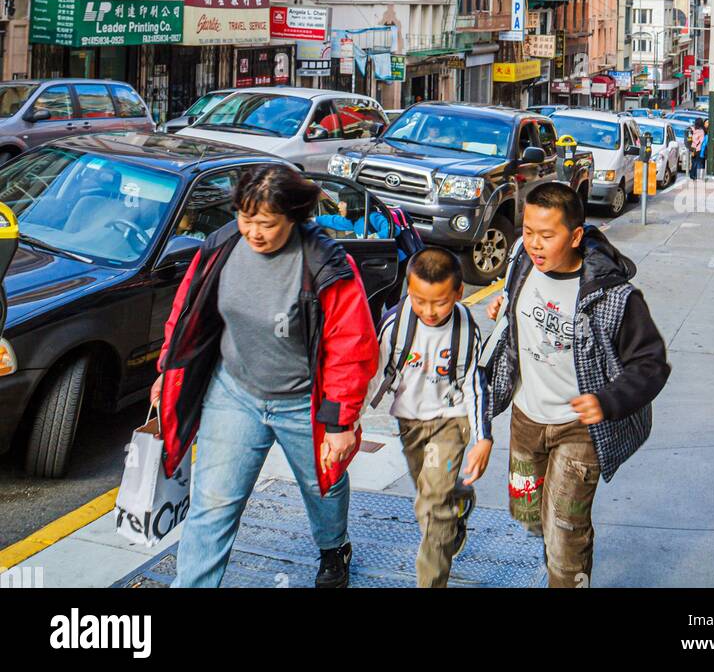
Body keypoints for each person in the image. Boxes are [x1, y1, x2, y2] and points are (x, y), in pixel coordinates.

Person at [152, 165, 380, 590]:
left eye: (266, 223)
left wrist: (340, 422)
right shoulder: (221, 246)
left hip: (302, 402)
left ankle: (334, 548)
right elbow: (187, 312)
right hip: (234, 392)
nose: (253, 232)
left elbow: (352, 347)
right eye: (245, 218)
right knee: (212, 507)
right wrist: (169, 367)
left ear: (293, 218)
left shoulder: (323, 263)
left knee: (323, 488)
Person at [483, 182, 670, 588]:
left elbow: (650, 363)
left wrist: (608, 400)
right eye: (528, 231)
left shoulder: (613, 296)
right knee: (529, 512)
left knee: (565, 531)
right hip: (525, 418)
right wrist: (504, 306)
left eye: (547, 235)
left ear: (576, 236)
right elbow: (517, 302)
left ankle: (568, 568)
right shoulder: (521, 260)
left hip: (579, 427)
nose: (534, 243)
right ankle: (555, 539)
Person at [368, 247, 492, 588]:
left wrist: (483, 438)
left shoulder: (467, 330)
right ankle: (460, 498)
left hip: (450, 421)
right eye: (420, 300)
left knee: (432, 508)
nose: (429, 311)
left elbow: (474, 384)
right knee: (431, 494)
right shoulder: (395, 325)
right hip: (409, 422)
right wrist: (349, 421)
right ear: (409, 289)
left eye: (439, 302)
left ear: (458, 293)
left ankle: (432, 580)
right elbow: (375, 373)